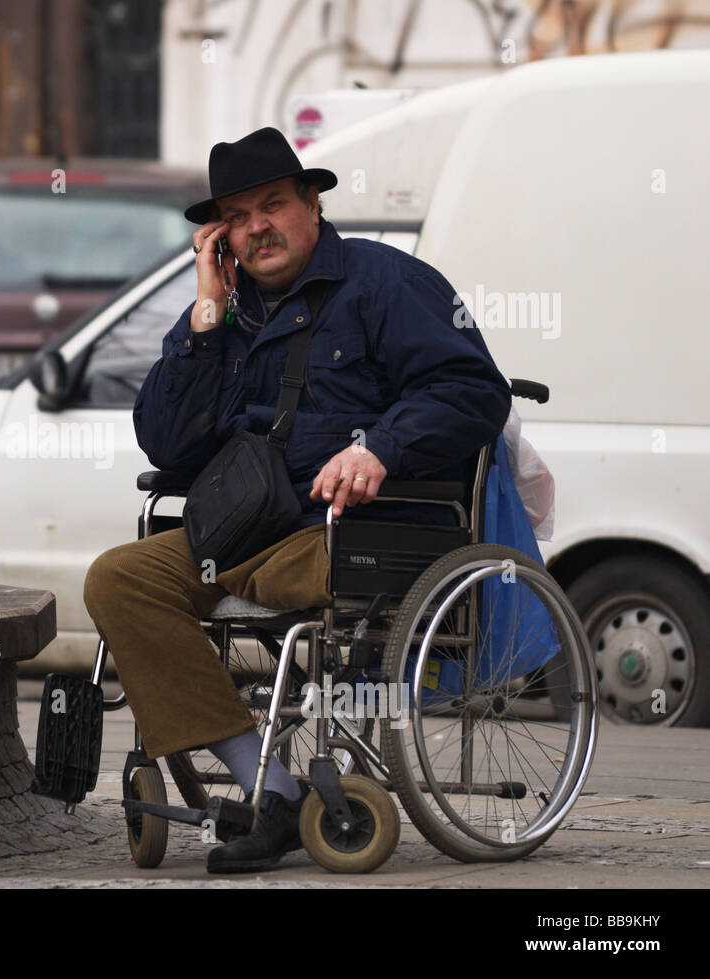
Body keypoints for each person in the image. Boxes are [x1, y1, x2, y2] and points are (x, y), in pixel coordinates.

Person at [83, 127, 511, 874]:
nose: (258, 228)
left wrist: (380, 446)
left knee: (278, 577)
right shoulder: (228, 314)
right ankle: (271, 785)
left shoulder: (388, 283)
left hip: (358, 527)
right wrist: (205, 314)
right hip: (245, 528)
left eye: (273, 205)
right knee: (119, 577)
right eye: (238, 218)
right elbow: (167, 445)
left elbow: (474, 391)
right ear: (222, 236)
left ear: (313, 204)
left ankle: (276, 789)